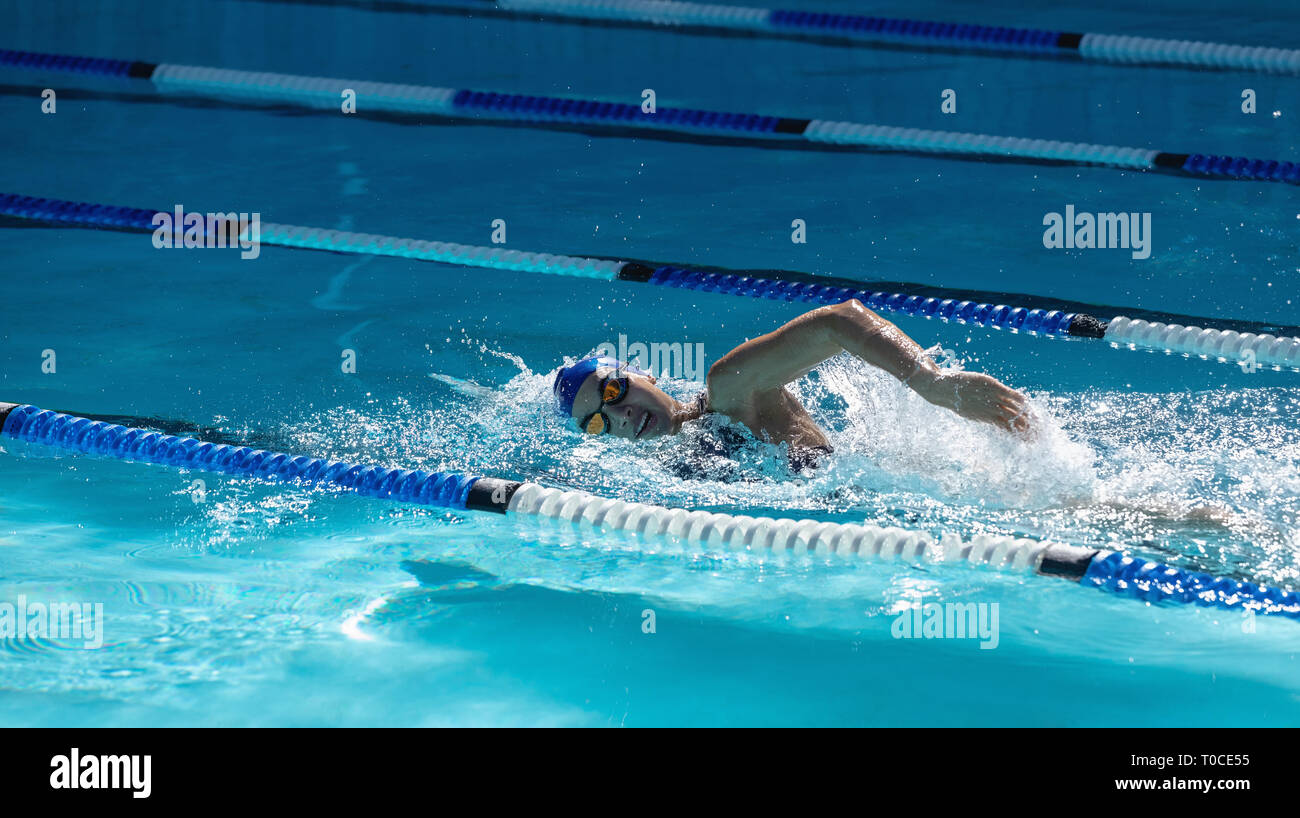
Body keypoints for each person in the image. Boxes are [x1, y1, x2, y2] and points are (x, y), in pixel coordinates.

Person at [552, 299, 1032, 470]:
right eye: (598, 423)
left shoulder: (730, 391)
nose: (621, 416)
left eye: (614, 393)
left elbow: (838, 321)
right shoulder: (666, 469)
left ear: (644, 374)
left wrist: (931, 382)